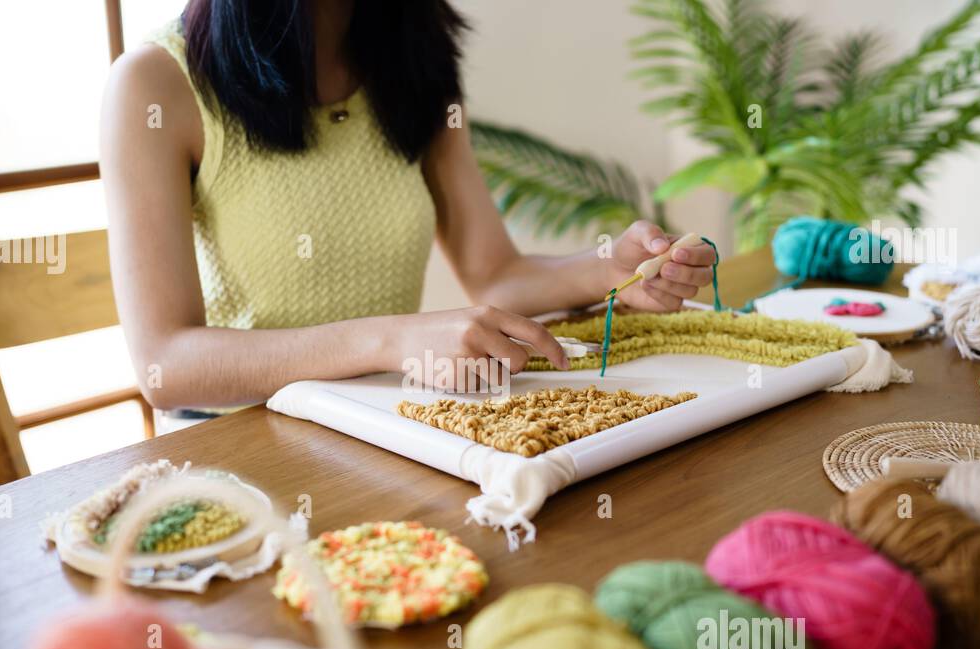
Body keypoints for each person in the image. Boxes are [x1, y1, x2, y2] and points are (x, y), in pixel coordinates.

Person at [100, 0, 716, 414]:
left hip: (393, 423)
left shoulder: (415, 65)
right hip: (242, 450)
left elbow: (494, 272)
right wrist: (393, 339)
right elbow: (164, 365)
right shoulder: (155, 83)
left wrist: (608, 270)